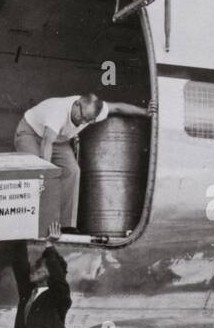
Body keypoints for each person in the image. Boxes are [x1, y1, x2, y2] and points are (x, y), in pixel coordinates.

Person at [13, 93, 152, 229]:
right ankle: (29, 223)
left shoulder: (91, 112)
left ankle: (64, 224)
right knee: (37, 174)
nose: (83, 122)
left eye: (89, 120)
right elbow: (47, 143)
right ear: (77, 104)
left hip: (59, 140)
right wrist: (46, 176)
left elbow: (117, 108)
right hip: (31, 133)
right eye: (83, 117)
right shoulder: (58, 111)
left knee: (73, 171)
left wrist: (145, 111)